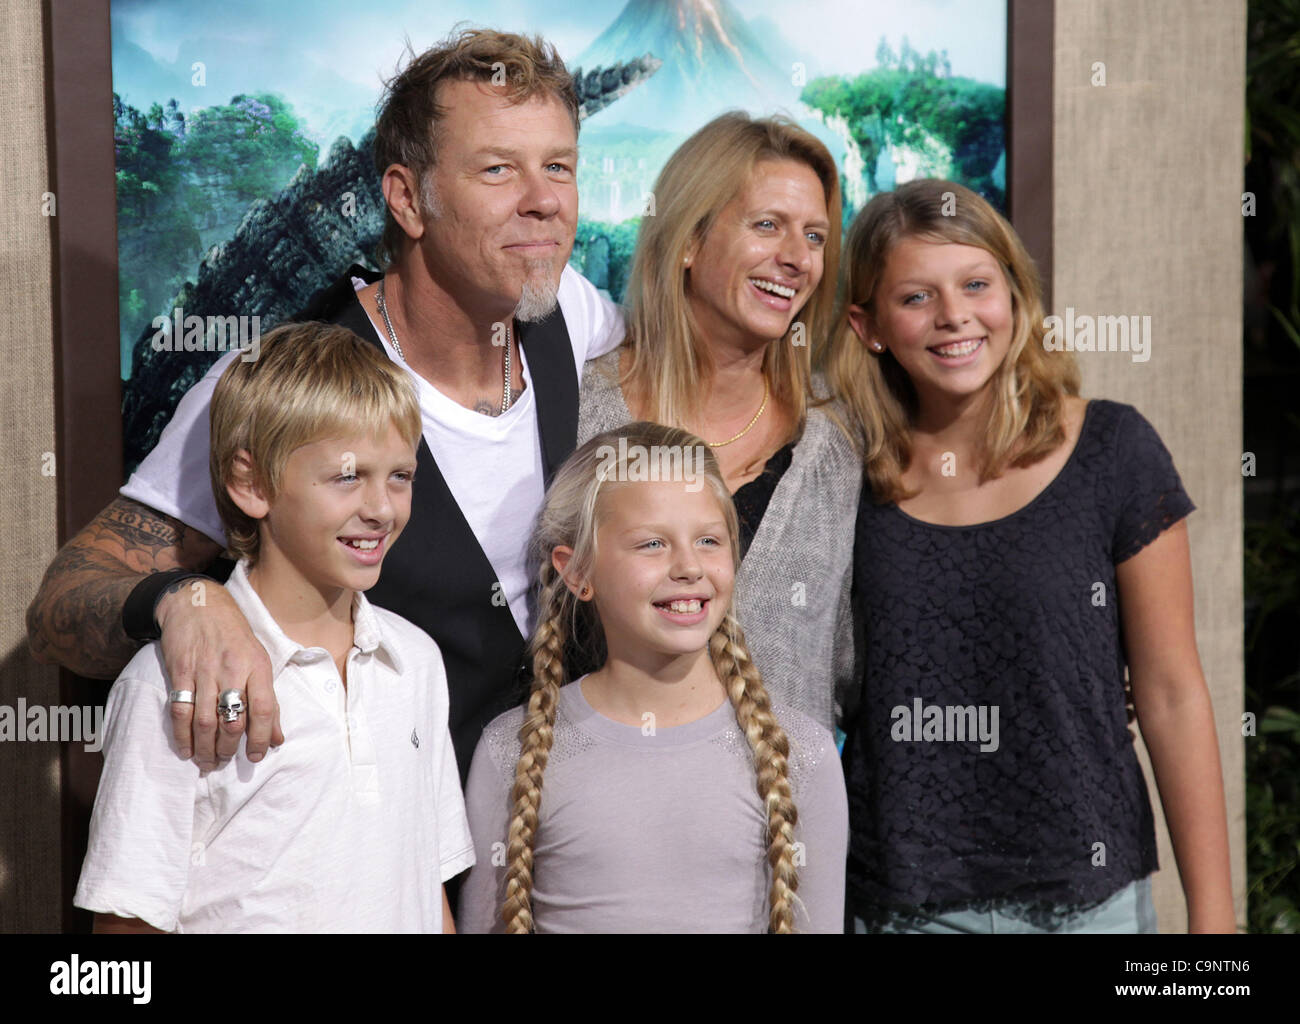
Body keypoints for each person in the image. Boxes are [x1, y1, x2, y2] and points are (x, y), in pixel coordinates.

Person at [26, 29, 622, 779]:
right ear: (407, 198)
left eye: (558, 168)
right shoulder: (276, 389)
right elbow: (61, 605)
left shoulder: (568, 308)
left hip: (545, 851)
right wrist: (182, 604)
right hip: (370, 856)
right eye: (499, 169)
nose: (542, 203)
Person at [825, 179, 1235, 933]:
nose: (954, 316)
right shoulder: (844, 474)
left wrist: (1213, 927)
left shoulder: (1113, 450)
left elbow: (1173, 693)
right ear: (869, 325)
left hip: (1091, 903)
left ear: (1014, 295)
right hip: (902, 907)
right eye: (916, 297)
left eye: (976, 284)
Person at [74, 323, 473, 932]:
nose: (382, 508)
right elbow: (128, 927)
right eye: (347, 476)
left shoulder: (415, 662)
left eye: (400, 475)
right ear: (251, 483)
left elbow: (427, 886)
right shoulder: (172, 685)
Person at [458, 423, 848, 933]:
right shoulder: (512, 749)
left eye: (708, 540)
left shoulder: (804, 755)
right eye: (652, 544)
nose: (688, 566)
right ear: (577, 572)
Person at [577, 113, 861, 733]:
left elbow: (855, 662)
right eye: (767, 226)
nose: (796, 259)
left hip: (783, 822)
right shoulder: (578, 412)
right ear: (687, 240)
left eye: (814, 237)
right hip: (598, 814)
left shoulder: (836, 439)